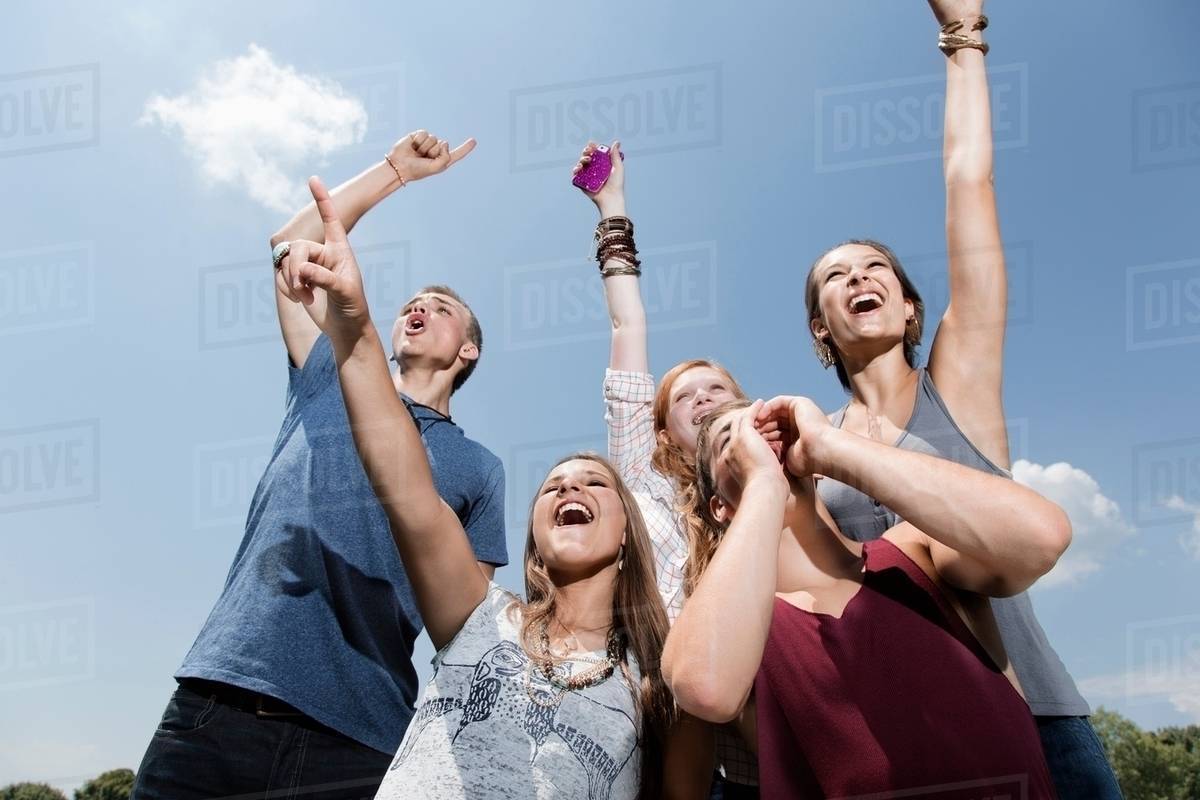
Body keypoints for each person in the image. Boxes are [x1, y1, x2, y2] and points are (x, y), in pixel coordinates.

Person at [280, 176, 711, 799]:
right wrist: (356, 327)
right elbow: (407, 488)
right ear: (531, 538)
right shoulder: (479, 615)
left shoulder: (662, 686)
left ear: (628, 532)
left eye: (594, 482)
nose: (569, 489)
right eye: (552, 487)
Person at [130, 132, 509, 800]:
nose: (417, 308)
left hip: (359, 741)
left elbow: (465, 623)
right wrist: (396, 172)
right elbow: (288, 242)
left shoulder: (479, 469)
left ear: (469, 351)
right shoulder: (328, 372)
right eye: (410, 305)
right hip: (221, 701)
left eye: (441, 308)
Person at [804, 4, 1122, 796]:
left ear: (911, 309)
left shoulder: (958, 388)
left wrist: (964, 36)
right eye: (838, 277)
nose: (860, 278)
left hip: (1036, 719)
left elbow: (967, 179)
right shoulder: (810, 444)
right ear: (822, 329)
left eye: (877, 267)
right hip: (897, 730)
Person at [665, 397, 1071, 798]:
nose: (755, 441)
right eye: (731, 442)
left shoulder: (916, 549)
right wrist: (762, 485)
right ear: (719, 507)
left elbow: (1042, 538)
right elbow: (706, 689)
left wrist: (826, 444)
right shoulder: (738, 628)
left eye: (766, 427)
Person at [574, 142, 762, 796]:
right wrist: (612, 206)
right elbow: (629, 320)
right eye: (685, 395)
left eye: (717, 389)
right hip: (659, 725)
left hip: (761, 752)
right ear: (658, 427)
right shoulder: (642, 474)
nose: (704, 398)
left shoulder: (777, 487)